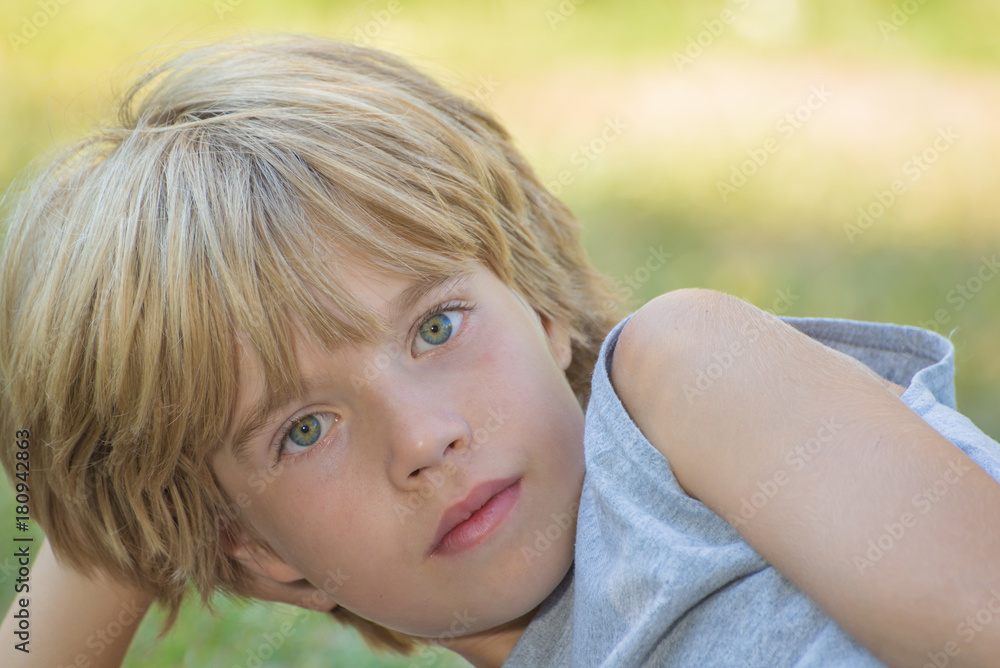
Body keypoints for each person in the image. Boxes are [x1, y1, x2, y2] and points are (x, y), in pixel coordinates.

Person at [1, 33, 998, 668]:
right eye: (303, 429)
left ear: (536, 302)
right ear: (252, 547)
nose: (426, 437)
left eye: (436, 325)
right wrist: (135, 499)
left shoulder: (686, 381)